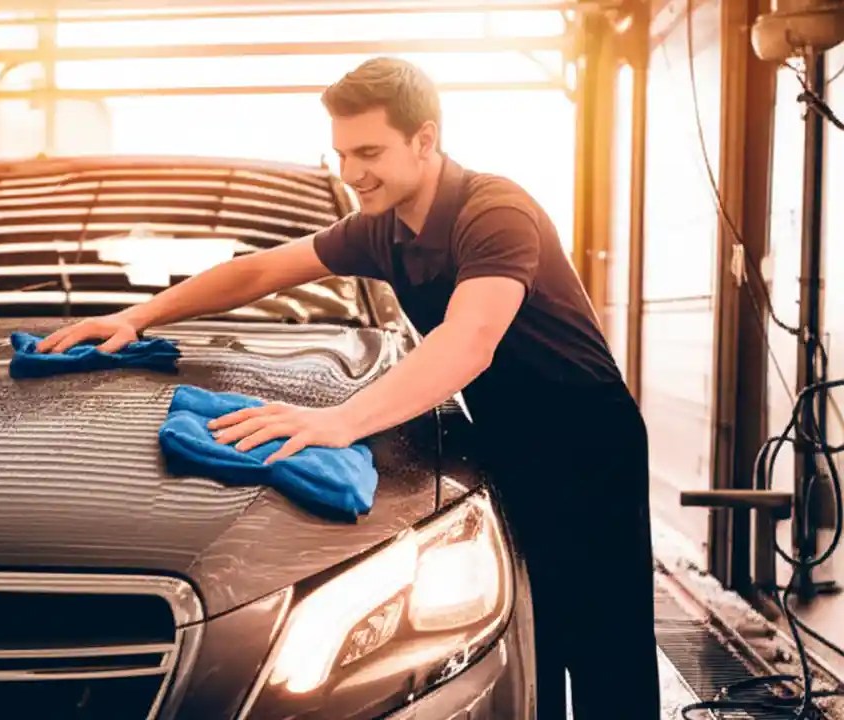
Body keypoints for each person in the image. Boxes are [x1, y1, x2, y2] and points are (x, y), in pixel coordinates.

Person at [37, 57, 659, 719]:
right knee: (538, 625)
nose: (351, 173)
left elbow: (469, 341)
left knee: (605, 643)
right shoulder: (385, 229)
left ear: (426, 140)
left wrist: (343, 420)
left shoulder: (494, 213)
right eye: (341, 154)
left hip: (586, 438)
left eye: (368, 152)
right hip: (509, 435)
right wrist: (135, 317)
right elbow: (261, 272)